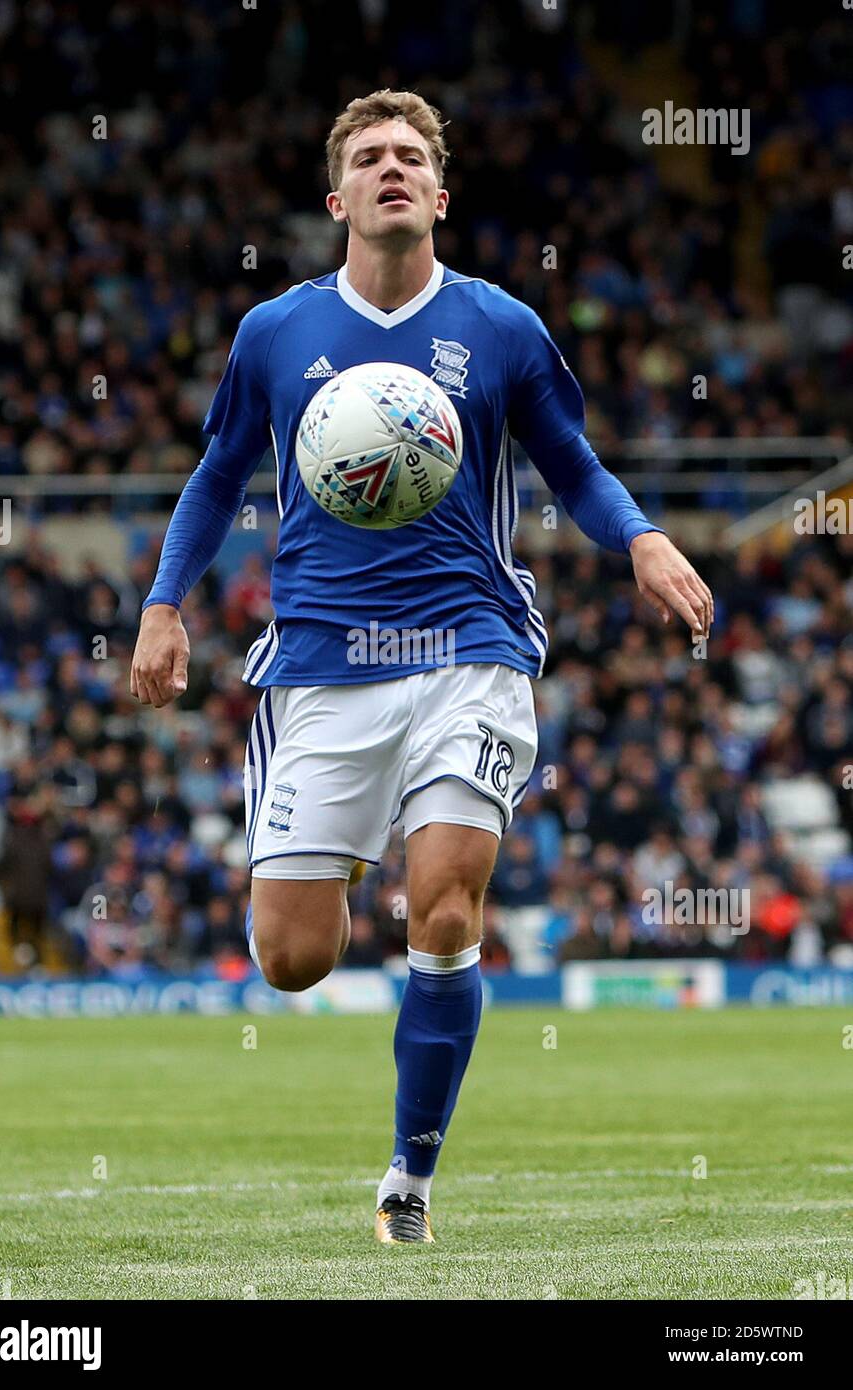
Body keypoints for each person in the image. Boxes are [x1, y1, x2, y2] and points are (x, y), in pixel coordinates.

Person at [130, 89, 713, 1244]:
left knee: (444, 905)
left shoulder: (499, 329)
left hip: (470, 654)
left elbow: (576, 467)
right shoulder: (274, 334)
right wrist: (161, 603)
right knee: (294, 958)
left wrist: (642, 538)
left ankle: (410, 1176)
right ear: (335, 195)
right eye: (368, 157)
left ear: (439, 196)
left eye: (410, 157)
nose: (390, 169)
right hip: (320, 667)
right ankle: (327, 864)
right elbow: (213, 478)